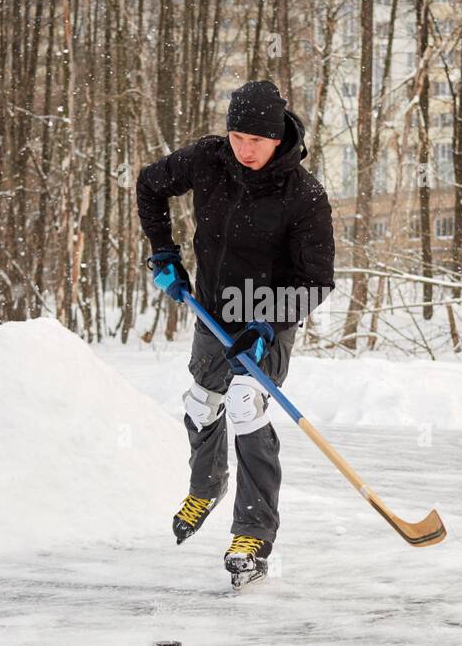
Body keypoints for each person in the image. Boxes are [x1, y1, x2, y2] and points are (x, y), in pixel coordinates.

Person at [136, 79, 335, 586]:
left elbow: (316, 281)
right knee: (202, 402)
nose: (245, 150)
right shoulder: (207, 159)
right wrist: (164, 252)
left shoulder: (304, 195)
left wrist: (268, 324)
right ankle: (206, 487)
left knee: (246, 404)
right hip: (212, 309)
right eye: (237, 137)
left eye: (256, 141)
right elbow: (150, 185)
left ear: (278, 140)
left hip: (269, 314)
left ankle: (253, 532)